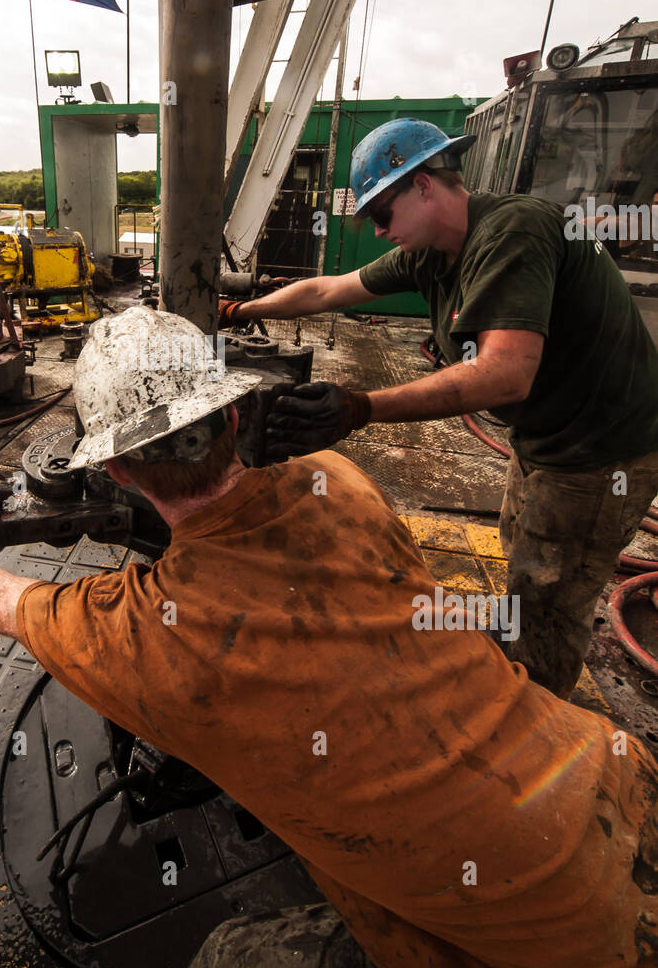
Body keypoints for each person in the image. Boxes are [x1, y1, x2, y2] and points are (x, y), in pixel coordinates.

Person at [0, 305, 658, 968]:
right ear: (234, 420)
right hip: (620, 782)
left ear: (112, 468)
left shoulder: (136, 638)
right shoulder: (339, 480)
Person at [221, 118, 658, 700]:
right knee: (526, 557)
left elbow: (504, 374)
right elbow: (329, 290)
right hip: (546, 437)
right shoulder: (433, 251)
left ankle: (538, 721)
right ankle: (519, 651)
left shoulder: (514, 231)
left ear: (424, 185)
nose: (378, 233)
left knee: (555, 596)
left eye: (382, 215)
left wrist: (358, 407)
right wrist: (238, 313)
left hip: (600, 450)